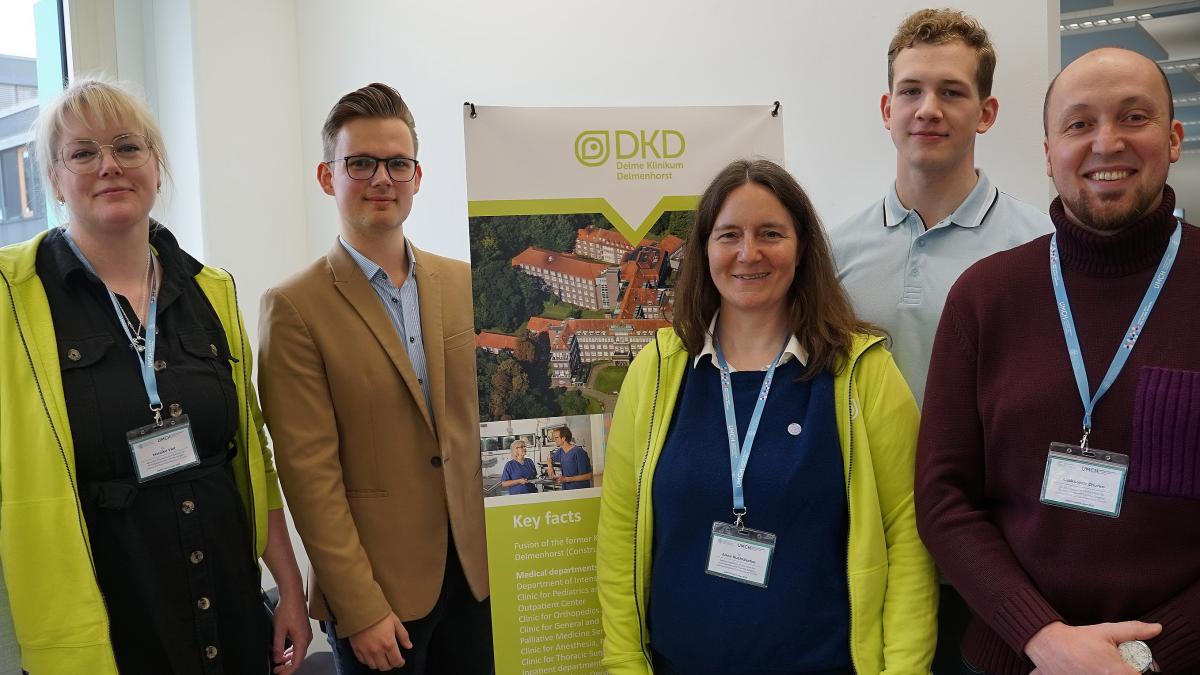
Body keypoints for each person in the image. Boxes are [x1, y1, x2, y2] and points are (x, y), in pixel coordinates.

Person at [0, 78, 310, 675]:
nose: (109, 165)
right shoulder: (14, 299)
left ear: (157, 167)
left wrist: (289, 586)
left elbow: (251, 455)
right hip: (108, 630)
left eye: (127, 147)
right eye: (83, 153)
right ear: (55, 181)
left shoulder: (211, 291)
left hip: (231, 611)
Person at [916, 47, 1197, 675]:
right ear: (1048, 152)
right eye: (1078, 124)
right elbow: (944, 498)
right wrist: (1042, 636)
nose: (1106, 142)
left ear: (1173, 138)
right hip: (1010, 658)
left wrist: (1141, 657)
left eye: (1134, 117)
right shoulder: (985, 297)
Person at [596, 159, 937, 675]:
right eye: (728, 234)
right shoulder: (659, 369)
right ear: (705, 250)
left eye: (770, 234)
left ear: (801, 248)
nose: (748, 253)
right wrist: (625, 663)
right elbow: (621, 533)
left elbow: (907, 538)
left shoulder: (863, 373)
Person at [258, 83, 491, 675]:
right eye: (359, 163)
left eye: (397, 162)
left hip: (479, 577)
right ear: (327, 176)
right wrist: (359, 608)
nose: (381, 178)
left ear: (418, 175)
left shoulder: (465, 284)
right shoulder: (294, 307)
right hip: (380, 597)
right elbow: (310, 476)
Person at [830, 8, 1051, 407]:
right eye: (911, 90)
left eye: (951, 91)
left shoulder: (1041, 244)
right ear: (887, 109)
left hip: (985, 471)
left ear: (986, 114)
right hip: (865, 471)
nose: (928, 109)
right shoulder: (835, 251)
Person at [546, 425, 593, 489]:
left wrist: (566, 479)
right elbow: (549, 457)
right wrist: (549, 466)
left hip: (579, 489)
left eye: (556, 438)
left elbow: (588, 476)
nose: (554, 440)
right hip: (566, 488)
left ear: (563, 438)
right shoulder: (560, 451)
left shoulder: (579, 452)